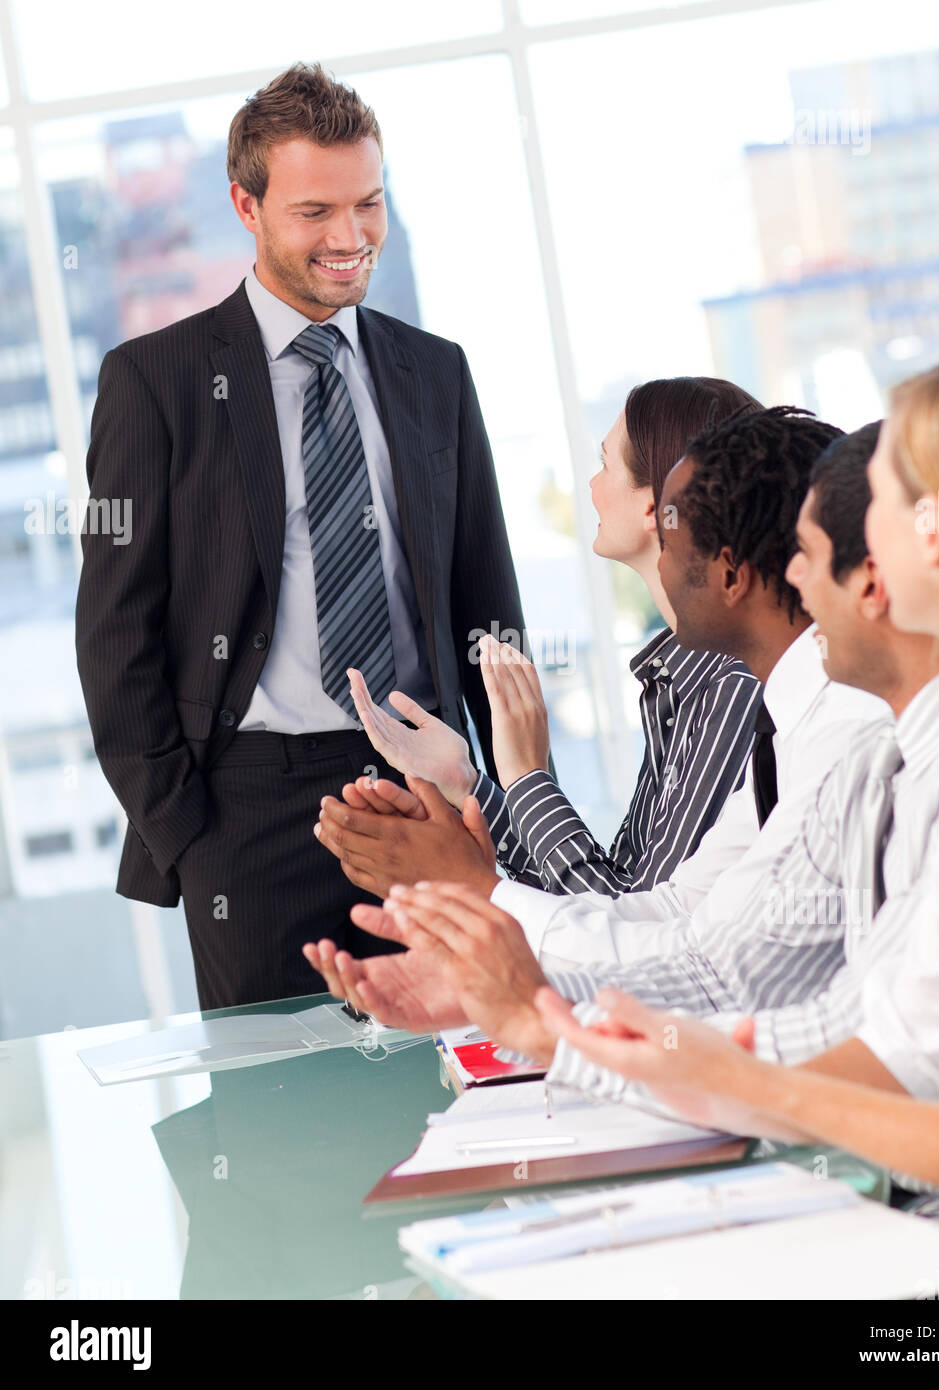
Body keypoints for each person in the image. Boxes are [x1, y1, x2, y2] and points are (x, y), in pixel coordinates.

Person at [535, 348, 939, 1293]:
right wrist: (581, 1040)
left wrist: (693, 1072)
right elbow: (890, 1036)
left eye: (873, 500)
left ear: (933, 537)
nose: (812, 558)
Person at [75, 62, 528, 1010]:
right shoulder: (154, 381)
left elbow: (489, 604)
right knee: (278, 1112)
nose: (350, 237)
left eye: (368, 205)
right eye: (315, 212)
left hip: (428, 792)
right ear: (246, 205)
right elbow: (116, 634)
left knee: (454, 1077)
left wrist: (511, 800)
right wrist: (187, 832)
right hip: (252, 814)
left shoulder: (434, 373)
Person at [302, 408, 890, 1023]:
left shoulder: (808, 721)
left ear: (728, 568)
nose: (663, 558)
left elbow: (704, 966)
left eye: (608, 464)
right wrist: (475, 831)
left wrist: (488, 891)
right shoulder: (761, 716)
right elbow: (666, 913)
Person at [318, 377, 764, 900]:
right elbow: (609, 888)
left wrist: (528, 774)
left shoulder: (732, 688)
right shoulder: (684, 679)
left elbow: (621, 923)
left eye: (604, 465)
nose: (592, 486)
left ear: (653, 508)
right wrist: (466, 782)